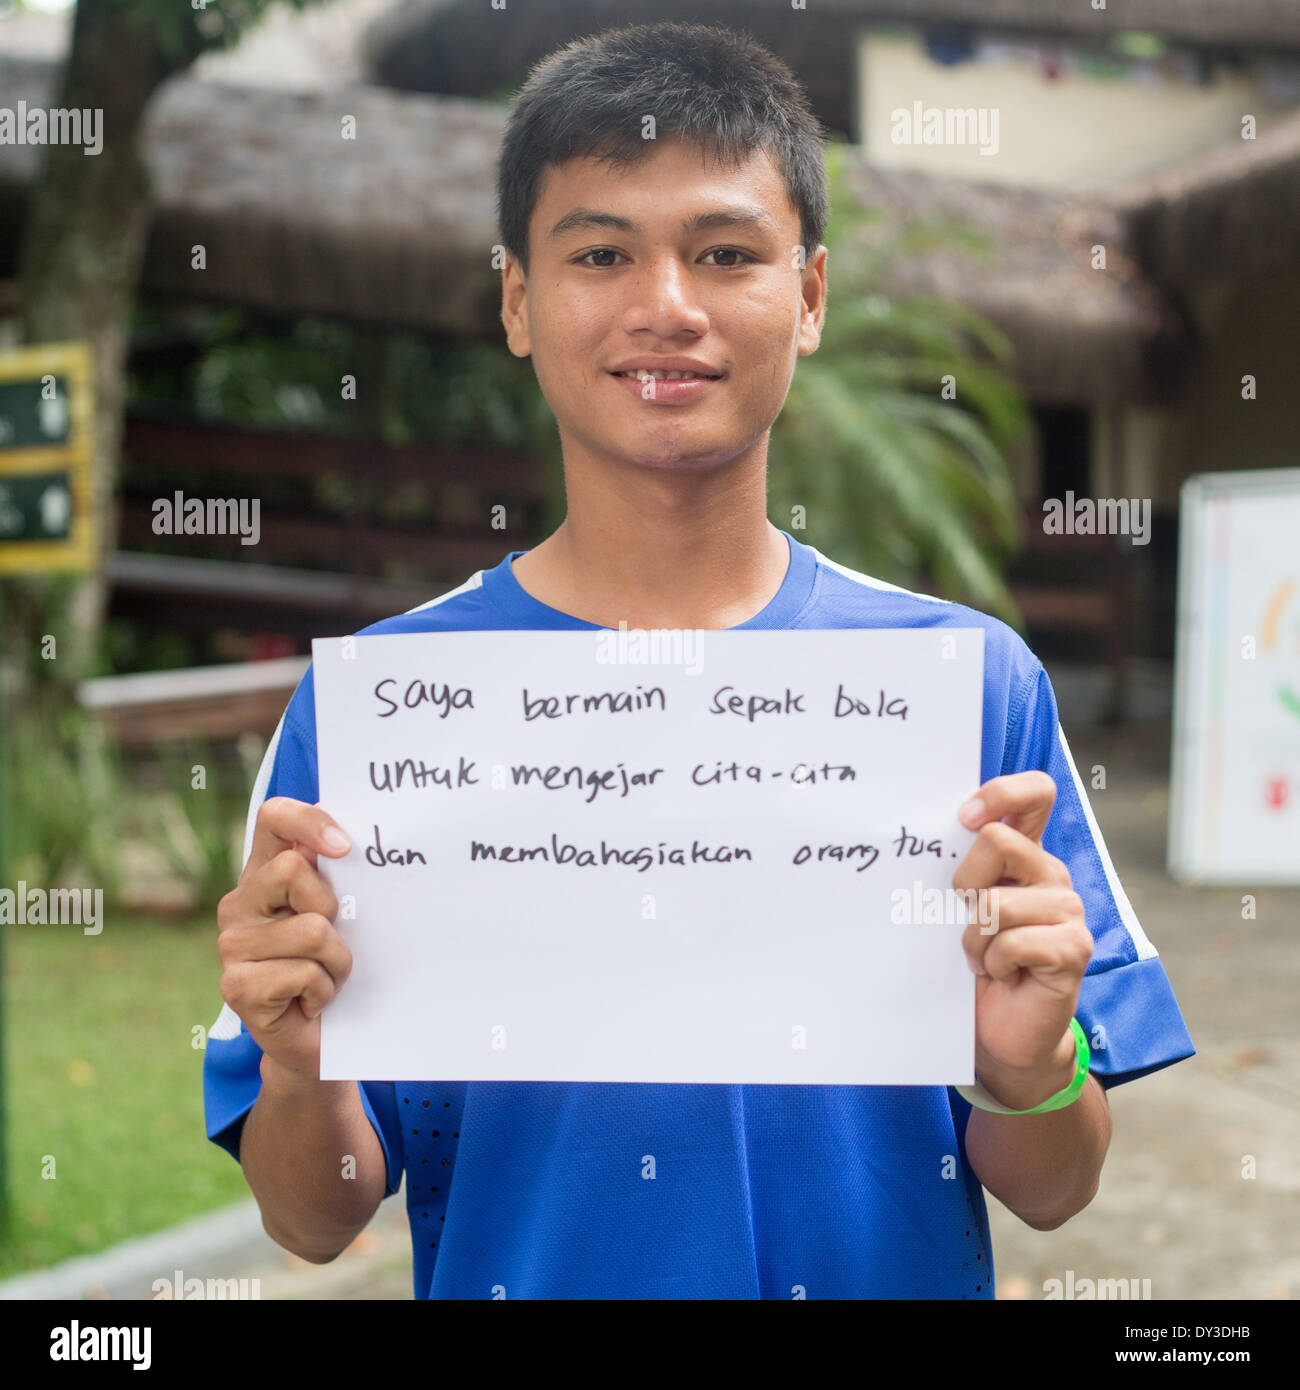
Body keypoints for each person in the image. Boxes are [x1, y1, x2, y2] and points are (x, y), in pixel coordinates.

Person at [204, 21, 1194, 1299]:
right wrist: (300, 1066)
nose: (664, 307)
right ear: (517, 299)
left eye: (725, 254)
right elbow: (313, 1221)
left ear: (812, 295)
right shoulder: (377, 717)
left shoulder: (965, 687)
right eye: (601, 252)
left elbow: (1055, 1188)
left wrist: (1027, 1065)